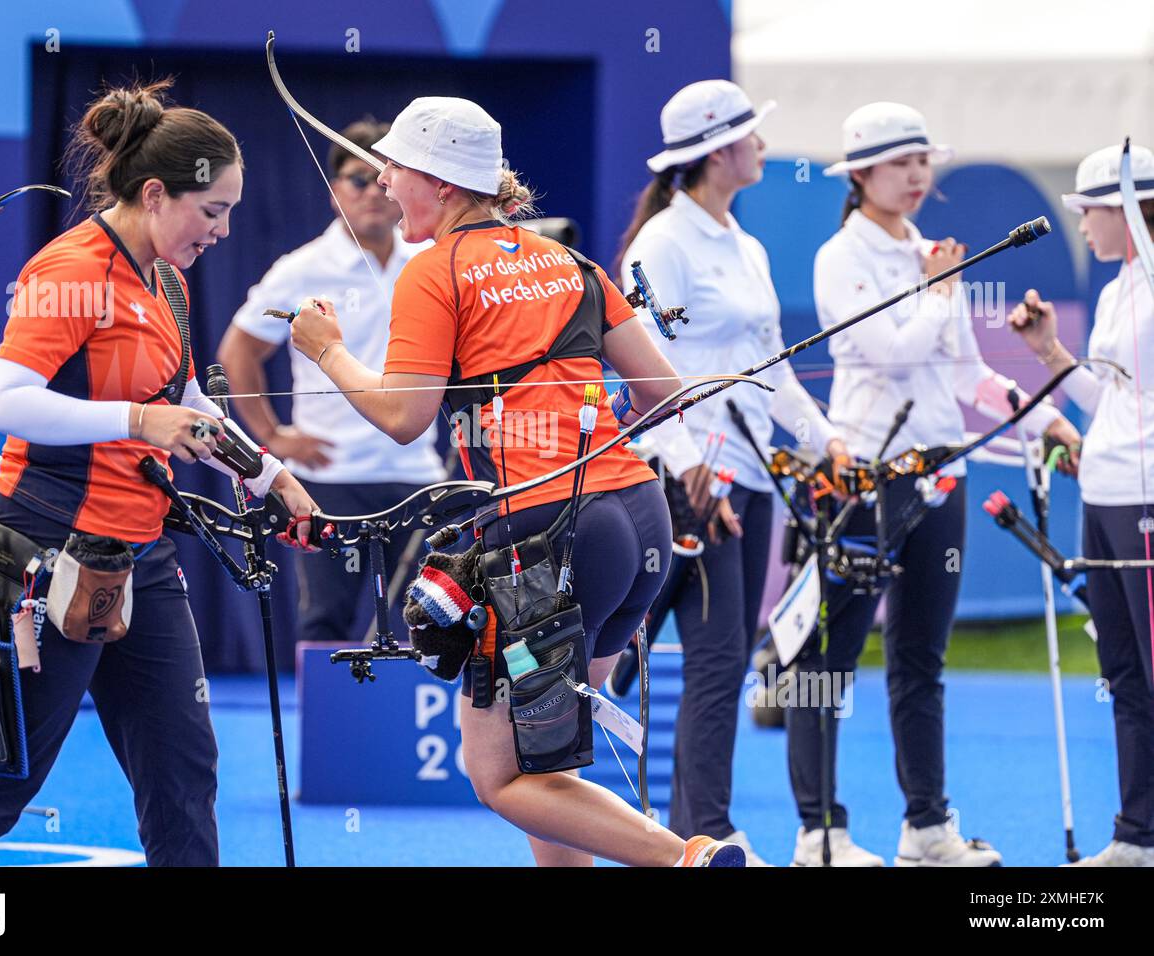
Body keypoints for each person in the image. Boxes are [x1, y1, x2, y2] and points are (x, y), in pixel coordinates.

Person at [289, 95, 741, 866]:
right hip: (638, 519)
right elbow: (668, 395)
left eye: (395, 168)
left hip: (547, 532)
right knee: (549, 758)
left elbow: (402, 414)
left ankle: (688, 859)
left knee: (498, 774)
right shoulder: (570, 260)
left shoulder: (436, 271)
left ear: (438, 180)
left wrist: (325, 349)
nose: (387, 184)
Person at [0, 80, 318, 867]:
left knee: (183, 764)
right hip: (41, 550)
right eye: (213, 210)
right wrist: (137, 421)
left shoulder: (165, 278)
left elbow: (186, 398)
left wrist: (269, 475)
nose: (224, 230)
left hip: (139, 555)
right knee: (1, 774)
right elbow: (5, 403)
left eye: (232, 210)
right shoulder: (68, 269)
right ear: (157, 193)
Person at [787, 101, 1082, 866]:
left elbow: (965, 374)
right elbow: (886, 353)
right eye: (899, 163)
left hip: (939, 482)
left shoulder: (929, 254)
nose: (917, 175)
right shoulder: (842, 257)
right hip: (864, 480)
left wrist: (1039, 416)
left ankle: (927, 828)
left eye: (924, 161)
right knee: (826, 662)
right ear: (859, 175)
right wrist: (942, 289)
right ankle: (820, 832)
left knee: (922, 660)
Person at [613, 79, 849, 867]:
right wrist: (685, 463)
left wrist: (826, 442)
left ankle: (627, 646)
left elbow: (771, 370)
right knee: (718, 661)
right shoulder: (663, 244)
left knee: (728, 654)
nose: (763, 146)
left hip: (747, 475)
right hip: (688, 477)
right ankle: (702, 833)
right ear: (718, 150)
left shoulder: (744, 245)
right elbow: (644, 369)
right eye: (752, 134)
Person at [217, 119, 444, 647]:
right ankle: (323, 732)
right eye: (354, 179)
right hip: (330, 476)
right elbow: (238, 351)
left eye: (380, 178)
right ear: (333, 190)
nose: (369, 191)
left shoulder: (428, 262)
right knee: (328, 622)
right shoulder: (304, 267)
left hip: (417, 472)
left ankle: (398, 733)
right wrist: (272, 438)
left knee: (428, 622)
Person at [1010, 142, 1154, 867]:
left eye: (1089, 211)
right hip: (1104, 490)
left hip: (1147, 498)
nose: (1083, 226)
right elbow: (1114, 397)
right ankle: (1137, 836)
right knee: (1124, 670)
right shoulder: (1115, 290)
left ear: (1125, 210)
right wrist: (1049, 354)